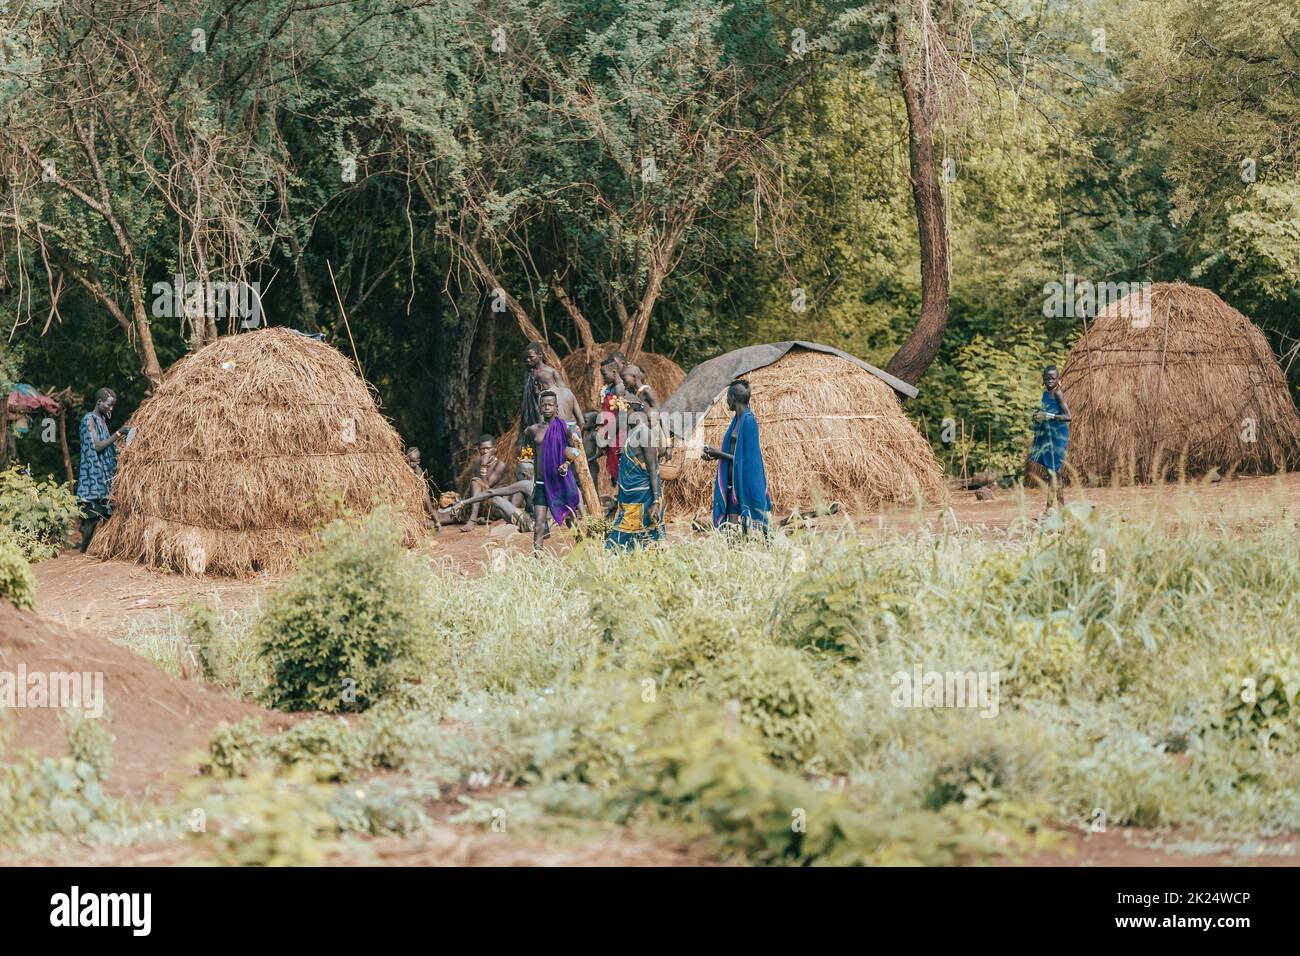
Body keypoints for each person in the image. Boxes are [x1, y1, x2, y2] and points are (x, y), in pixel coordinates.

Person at [702, 379, 770, 536]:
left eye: (727, 397)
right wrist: (714, 455)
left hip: (746, 486)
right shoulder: (737, 421)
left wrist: (718, 453)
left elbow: (748, 461)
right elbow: (735, 455)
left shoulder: (750, 422)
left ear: (732, 397)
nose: (726, 401)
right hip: (733, 486)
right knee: (731, 534)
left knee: (750, 532)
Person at [523, 390, 583, 552]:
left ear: (556, 407)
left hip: (561, 481)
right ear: (540, 408)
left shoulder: (564, 428)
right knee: (539, 525)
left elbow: (575, 451)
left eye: (550, 405)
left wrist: (567, 464)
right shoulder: (534, 430)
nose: (547, 408)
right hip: (542, 483)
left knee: (572, 520)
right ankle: (537, 563)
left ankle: (584, 552)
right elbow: (532, 450)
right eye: (544, 405)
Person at [605, 406, 664, 551]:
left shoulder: (645, 433)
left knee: (617, 542)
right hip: (631, 496)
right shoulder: (633, 432)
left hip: (644, 496)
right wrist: (625, 454)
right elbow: (637, 457)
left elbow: (653, 468)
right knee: (641, 540)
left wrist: (655, 501)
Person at [76, 388, 126, 552]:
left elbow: (107, 446)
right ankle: (84, 550)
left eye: (113, 406)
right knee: (91, 517)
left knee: (101, 515)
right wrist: (118, 433)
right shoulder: (88, 420)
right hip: (93, 477)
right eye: (108, 405)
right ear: (99, 402)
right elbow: (97, 446)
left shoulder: (101, 420)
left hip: (103, 477)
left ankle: (88, 549)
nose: (111, 408)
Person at [1029, 364, 1072, 513]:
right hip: (1048, 435)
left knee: (1053, 472)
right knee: (1053, 473)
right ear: (1043, 379)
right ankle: (1059, 508)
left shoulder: (1058, 393)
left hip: (1058, 436)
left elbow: (1068, 417)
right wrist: (1038, 413)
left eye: (1053, 378)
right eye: (1047, 378)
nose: (1050, 380)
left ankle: (1050, 508)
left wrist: (1048, 416)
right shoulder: (1045, 394)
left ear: (1058, 379)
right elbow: (1046, 410)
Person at [453, 459, 535, 532]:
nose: (516, 478)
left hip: (531, 525)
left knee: (496, 498)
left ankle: (512, 525)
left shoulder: (525, 484)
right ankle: (511, 524)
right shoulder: (537, 483)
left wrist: (463, 502)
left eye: (517, 474)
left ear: (524, 475)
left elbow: (491, 492)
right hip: (542, 525)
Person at [462, 434, 509, 531]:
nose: (485, 451)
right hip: (481, 505)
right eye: (482, 449)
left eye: (488, 448)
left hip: (495, 506)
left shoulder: (500, 465)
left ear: (494, 449)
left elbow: (487, 487)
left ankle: (472, 520)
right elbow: (471, 488)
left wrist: (483, 466)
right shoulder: (476, 464)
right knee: (474, 482)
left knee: (476, 482)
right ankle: (475, 517)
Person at [405, 446, 439, 527]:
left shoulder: (418, 470)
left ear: (418, 462)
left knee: (426, 497)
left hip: (417, 495)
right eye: (408, 461)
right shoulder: (403, 468)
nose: (410, 464)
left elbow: (420, 487)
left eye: (412, 462)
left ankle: (437, 522)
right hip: (407, 495)